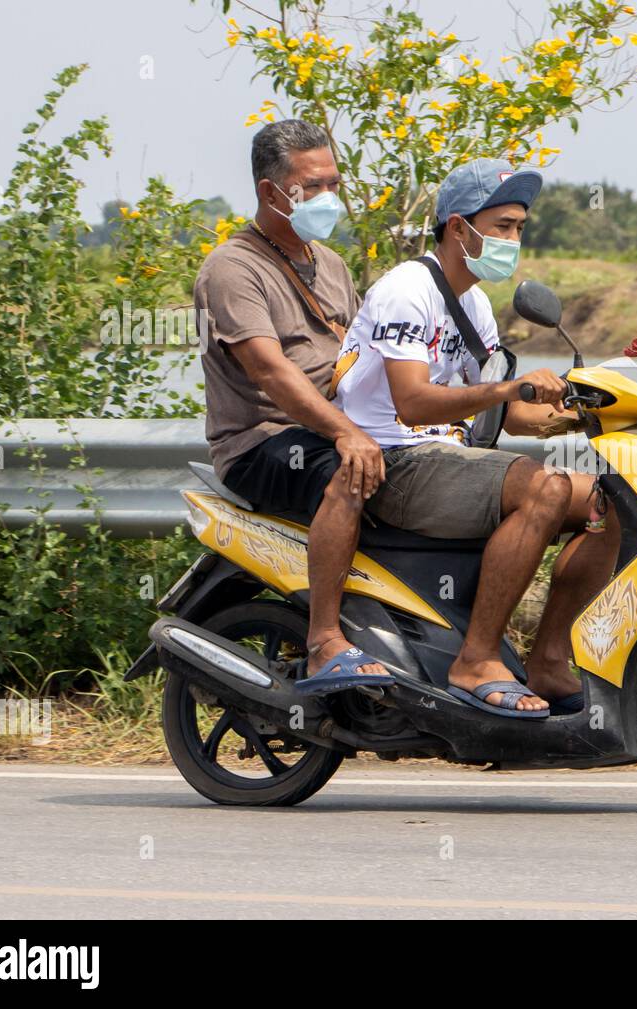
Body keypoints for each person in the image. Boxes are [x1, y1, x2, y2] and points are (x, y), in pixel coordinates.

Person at [331, 158, 622, 718]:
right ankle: (476, 660)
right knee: (546, 488)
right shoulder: (407, 291)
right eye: (503, 226)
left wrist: (594, 414)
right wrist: (514, 388)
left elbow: (510, 417)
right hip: (392, 460)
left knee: (610, 501)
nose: (514, 240)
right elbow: (412, 403)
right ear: (460, 228)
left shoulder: (473, 303)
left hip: (444, 458)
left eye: (519, 228)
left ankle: (550, 659)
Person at [195, 119, 391, 688]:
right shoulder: (232, 269)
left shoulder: (330, 264)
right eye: (314, 187)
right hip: (265, 442)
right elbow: (271, 372)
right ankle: (325, 641)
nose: (328, 197)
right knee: (345, 474)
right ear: (270, 191)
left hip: (330, 427)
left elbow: (363, 358)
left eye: (334, 183)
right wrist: (346, 434)